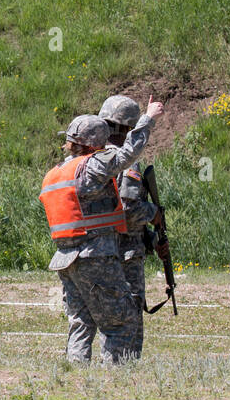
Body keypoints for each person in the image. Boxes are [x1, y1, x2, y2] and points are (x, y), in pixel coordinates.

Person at [39, 99, 163, 364]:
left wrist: (149, 238)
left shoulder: (56, 173)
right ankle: (118, 380)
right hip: (95, 255)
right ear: (95, 143)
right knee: (121, 321)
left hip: (65, 258)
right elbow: (127, 156)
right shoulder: (93, 167)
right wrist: (148, 120)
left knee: (81, 321)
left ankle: (76, 377)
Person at [99, 94, 160, 359]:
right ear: (129, 128)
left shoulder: (95, 158)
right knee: (130, 312)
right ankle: (126, 366)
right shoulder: (125, 161)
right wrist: (155, 213)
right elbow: (130, 210)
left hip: (100, 249)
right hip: (125, 252)